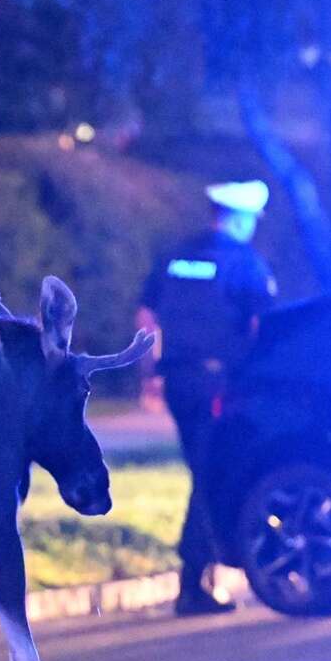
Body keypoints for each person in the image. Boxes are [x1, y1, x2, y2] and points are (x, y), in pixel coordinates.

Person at [138, 180, 278, 616]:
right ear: (238, 219)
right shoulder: (245, 263)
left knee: (202, 471)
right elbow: (263, 325)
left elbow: (145, 315)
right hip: (219, 383)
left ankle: (199, 576)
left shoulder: (177, 256)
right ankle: (193, 581)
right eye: (251, 220)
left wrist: (149, 373)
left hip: (178, 381)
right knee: (211, 476)